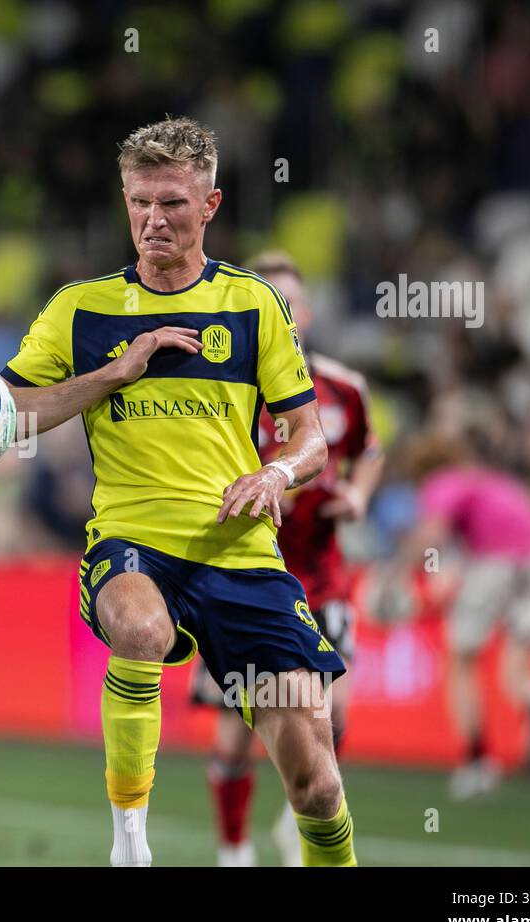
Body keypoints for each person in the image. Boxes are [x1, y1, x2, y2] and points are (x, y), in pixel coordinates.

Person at [0, 117, 355, 866]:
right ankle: (130, 839)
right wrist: (108, 376)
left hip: (242, 558)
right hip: (132, 543)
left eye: (171, 203)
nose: (152, 219)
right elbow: (3, 417)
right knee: (137, 628)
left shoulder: (253, 304)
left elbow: (312, 439)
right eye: (138, 203)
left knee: (319, 786)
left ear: (211, 204)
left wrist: (275, 472)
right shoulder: (80, 309)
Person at [189, 251, 384, 866]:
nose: (282, 309)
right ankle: (233, 849)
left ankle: (302, 826)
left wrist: (357, 492)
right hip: (245, 577)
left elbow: (369, 451)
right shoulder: (222, 389)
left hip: (321, 580)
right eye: (268, 297)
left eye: (290, 299)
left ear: (306, 311)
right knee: (236, 735)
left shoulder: (343, 388)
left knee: (335, 714)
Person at [377, 431, 530, 798]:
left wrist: (394, 576)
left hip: (496, 564)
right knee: (517, 667)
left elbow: (431, 536)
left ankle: (477, 759)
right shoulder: (498, 484)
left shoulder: (444, 480)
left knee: (462, 660)